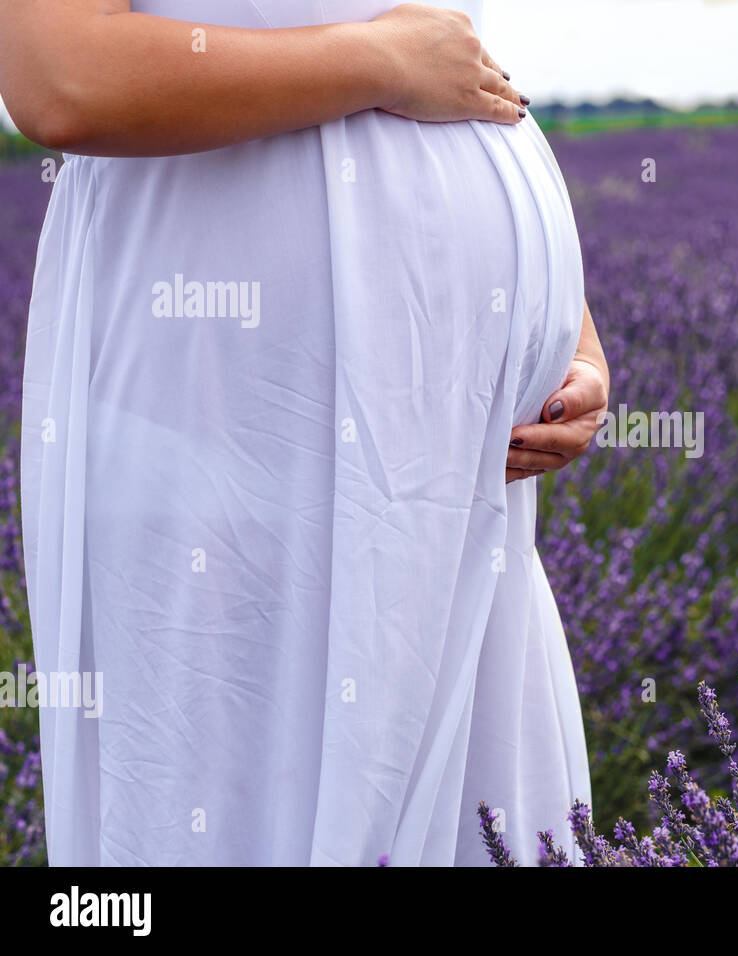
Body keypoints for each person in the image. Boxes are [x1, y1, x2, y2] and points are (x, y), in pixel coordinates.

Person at [0, 0, 608, 865]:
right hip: (226, 408)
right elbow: (60, 76)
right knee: (245, 784)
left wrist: (570, 341)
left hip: (448, 471)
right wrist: (383, 62)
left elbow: (454, 63)